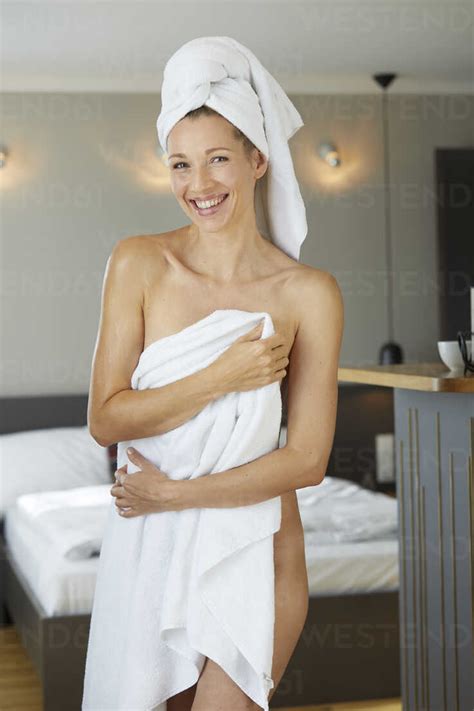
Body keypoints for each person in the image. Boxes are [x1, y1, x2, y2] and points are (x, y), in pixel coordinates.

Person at [85, 38, 344, 711]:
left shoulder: (307, 293)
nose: (198, 186)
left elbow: (308, 459)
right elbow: (105, 418)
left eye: (219, 159)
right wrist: (221, 375)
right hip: (150, 556)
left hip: (257, 555)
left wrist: (173, 494)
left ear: (258, 158)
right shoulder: (138, 263)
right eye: (181, 165)